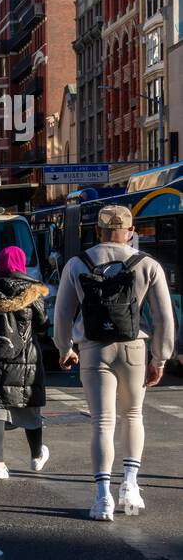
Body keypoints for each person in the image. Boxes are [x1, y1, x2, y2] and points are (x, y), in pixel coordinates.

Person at [53, 205, 176, 521]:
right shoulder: (147, 264)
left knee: (102, 422)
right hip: (134, 347)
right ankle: (130, 486)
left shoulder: (77, 264)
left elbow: (63, 314)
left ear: (97, 231)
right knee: (133, 414)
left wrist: (65, 348)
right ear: (132, 231)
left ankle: (101, 497)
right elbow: (163, 317)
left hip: (93, 347)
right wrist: (160, 358)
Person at [0, 245, 50, 480]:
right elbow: (44, 325)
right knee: (29, 405)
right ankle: (36, 457)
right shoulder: (32, 291)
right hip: (24, 358)